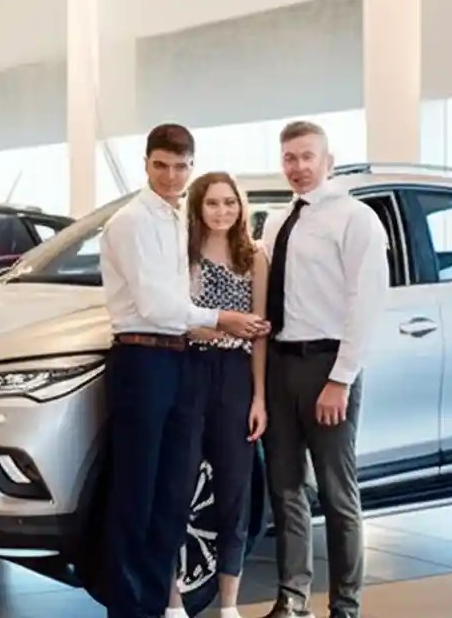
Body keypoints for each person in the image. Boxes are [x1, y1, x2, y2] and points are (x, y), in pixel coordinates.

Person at [99, 123, 269, 618]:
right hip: (141, 358)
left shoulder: (176, 221)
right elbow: (155, 304)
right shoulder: (131, 221)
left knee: (168, 496)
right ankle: (129, 610)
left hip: (175, 359)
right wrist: (220, 319)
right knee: (135, 492)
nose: (171, 175)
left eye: (180, 166)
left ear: (189, 167)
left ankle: (156, 605)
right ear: (146, 164)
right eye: (161, 165)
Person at [258, 121, 389, 618]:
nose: (298, 166)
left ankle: (345, 605)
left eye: (307, 156)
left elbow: (368, 302)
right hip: (282, 366)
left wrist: (341, 378)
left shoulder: (355, 219)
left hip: (326, 368)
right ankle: (292, 600)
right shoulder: (276, 221)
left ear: (328, 160)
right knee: (285, 487)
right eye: (289, 157)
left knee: (336, 492)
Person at [164, 172, 270, 618]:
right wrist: (223, 322)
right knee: (176, 488)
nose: (222, 211)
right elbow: (175, 320)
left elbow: (259, 331)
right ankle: (173, 602)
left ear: (240, 207)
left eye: (230, 203)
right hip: (189, 370)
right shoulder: (180, 254)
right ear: (198, 208)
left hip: (236, 376)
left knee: (234, 491)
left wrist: (259, 397)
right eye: (212, 203)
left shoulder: (254, 257)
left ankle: (229, 605)